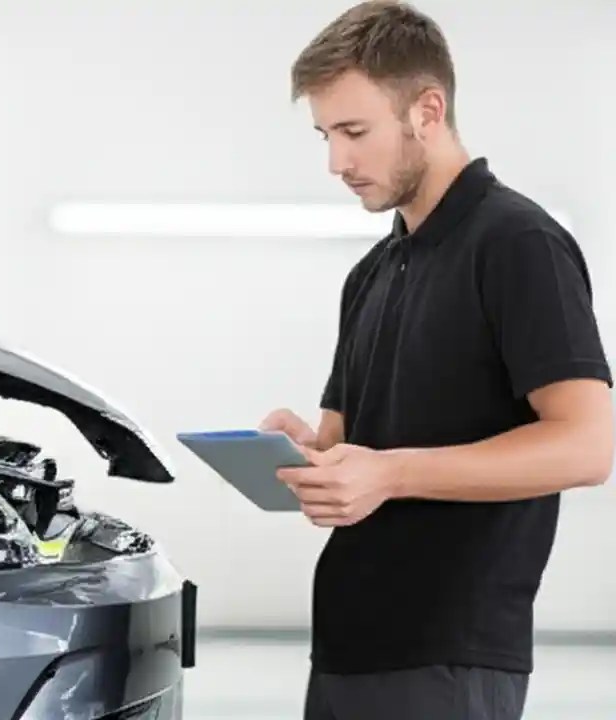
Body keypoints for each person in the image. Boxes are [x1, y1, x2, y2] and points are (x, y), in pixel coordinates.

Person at [260, 2, 614, 718]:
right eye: (326, 135)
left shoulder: (518, 243)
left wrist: (390, 474)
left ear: (428, 109)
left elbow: (588, 445)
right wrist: (310, 451)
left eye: (355, 132)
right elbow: (350, 441)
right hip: (347, 647)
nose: (337, 162)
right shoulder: (371, 271)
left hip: (450, 653)